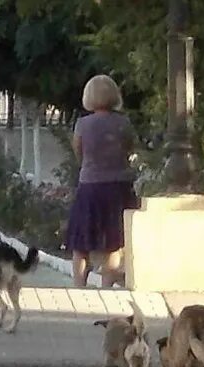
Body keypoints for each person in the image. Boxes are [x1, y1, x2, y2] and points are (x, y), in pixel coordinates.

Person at [65, 74, 139, 288]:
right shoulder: (123, 123)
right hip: (119, 186)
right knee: (114, 242)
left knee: (81, 243)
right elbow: (130, 148)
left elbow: (78, 152)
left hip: (89, 186)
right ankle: (106, 287)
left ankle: (79, 285)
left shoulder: (82, 124)